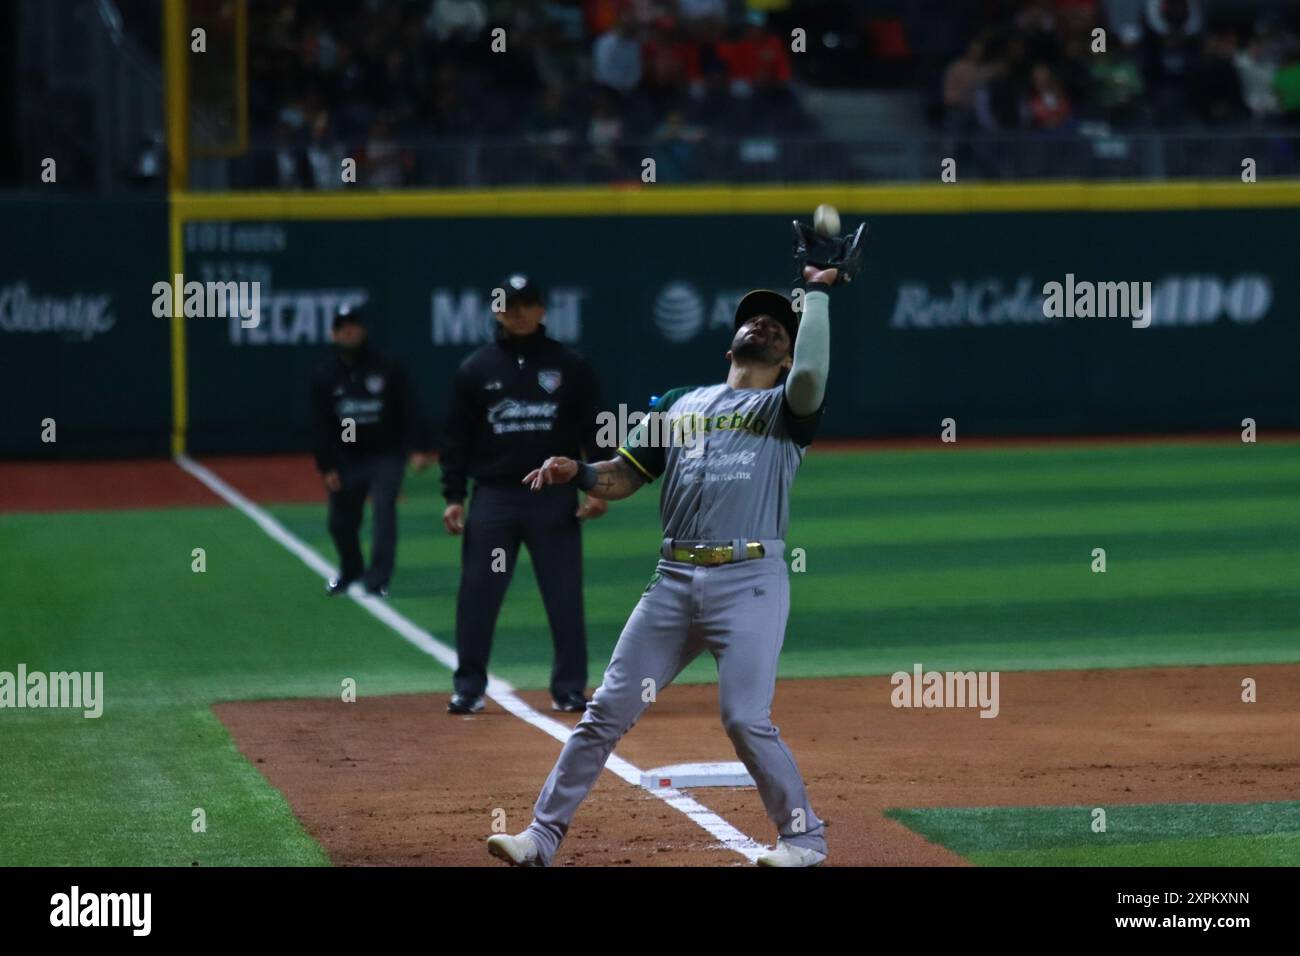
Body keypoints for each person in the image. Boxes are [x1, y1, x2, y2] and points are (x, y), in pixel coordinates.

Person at [486, 261, 838, 868]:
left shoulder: (786, 409)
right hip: (673, 582)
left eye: (781, 326)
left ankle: (803, 840)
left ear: (786, 357)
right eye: (756, 317)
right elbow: (625, 475)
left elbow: (812, 372)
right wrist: (583, 473)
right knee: (604, 712)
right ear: (731, 340)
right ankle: (540, 838)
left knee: (744, 718)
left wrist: (817, 294)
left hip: (750, 581)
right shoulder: (681, 403)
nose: (766, 324)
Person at [440, 275, 605, 716]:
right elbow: (456, 439)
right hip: (494, 496)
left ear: (542, 309)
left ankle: (569, 687)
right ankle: (469, 686)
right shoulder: (476, 370)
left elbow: (594, 427)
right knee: (478, 594)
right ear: (496, 310)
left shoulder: (571, 366)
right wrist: (454, 496)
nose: (518, 312)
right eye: (509, 304)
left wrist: (599, 483)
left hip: (552, 495)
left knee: (564, 594)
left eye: (527, 303)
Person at [312, 303, 429, 598]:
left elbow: (410, 408)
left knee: (384, 510)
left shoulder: (387, 367)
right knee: (340, 522)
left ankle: (378, 579)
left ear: (363, 329)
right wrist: (327, 466)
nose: (348, 330)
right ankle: (351, 569)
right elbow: (321, 424)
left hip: (384, 455)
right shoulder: (326, 374)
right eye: (342, 326)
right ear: (333, 333)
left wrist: (417, 447)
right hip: (346, 458)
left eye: (353, 324)